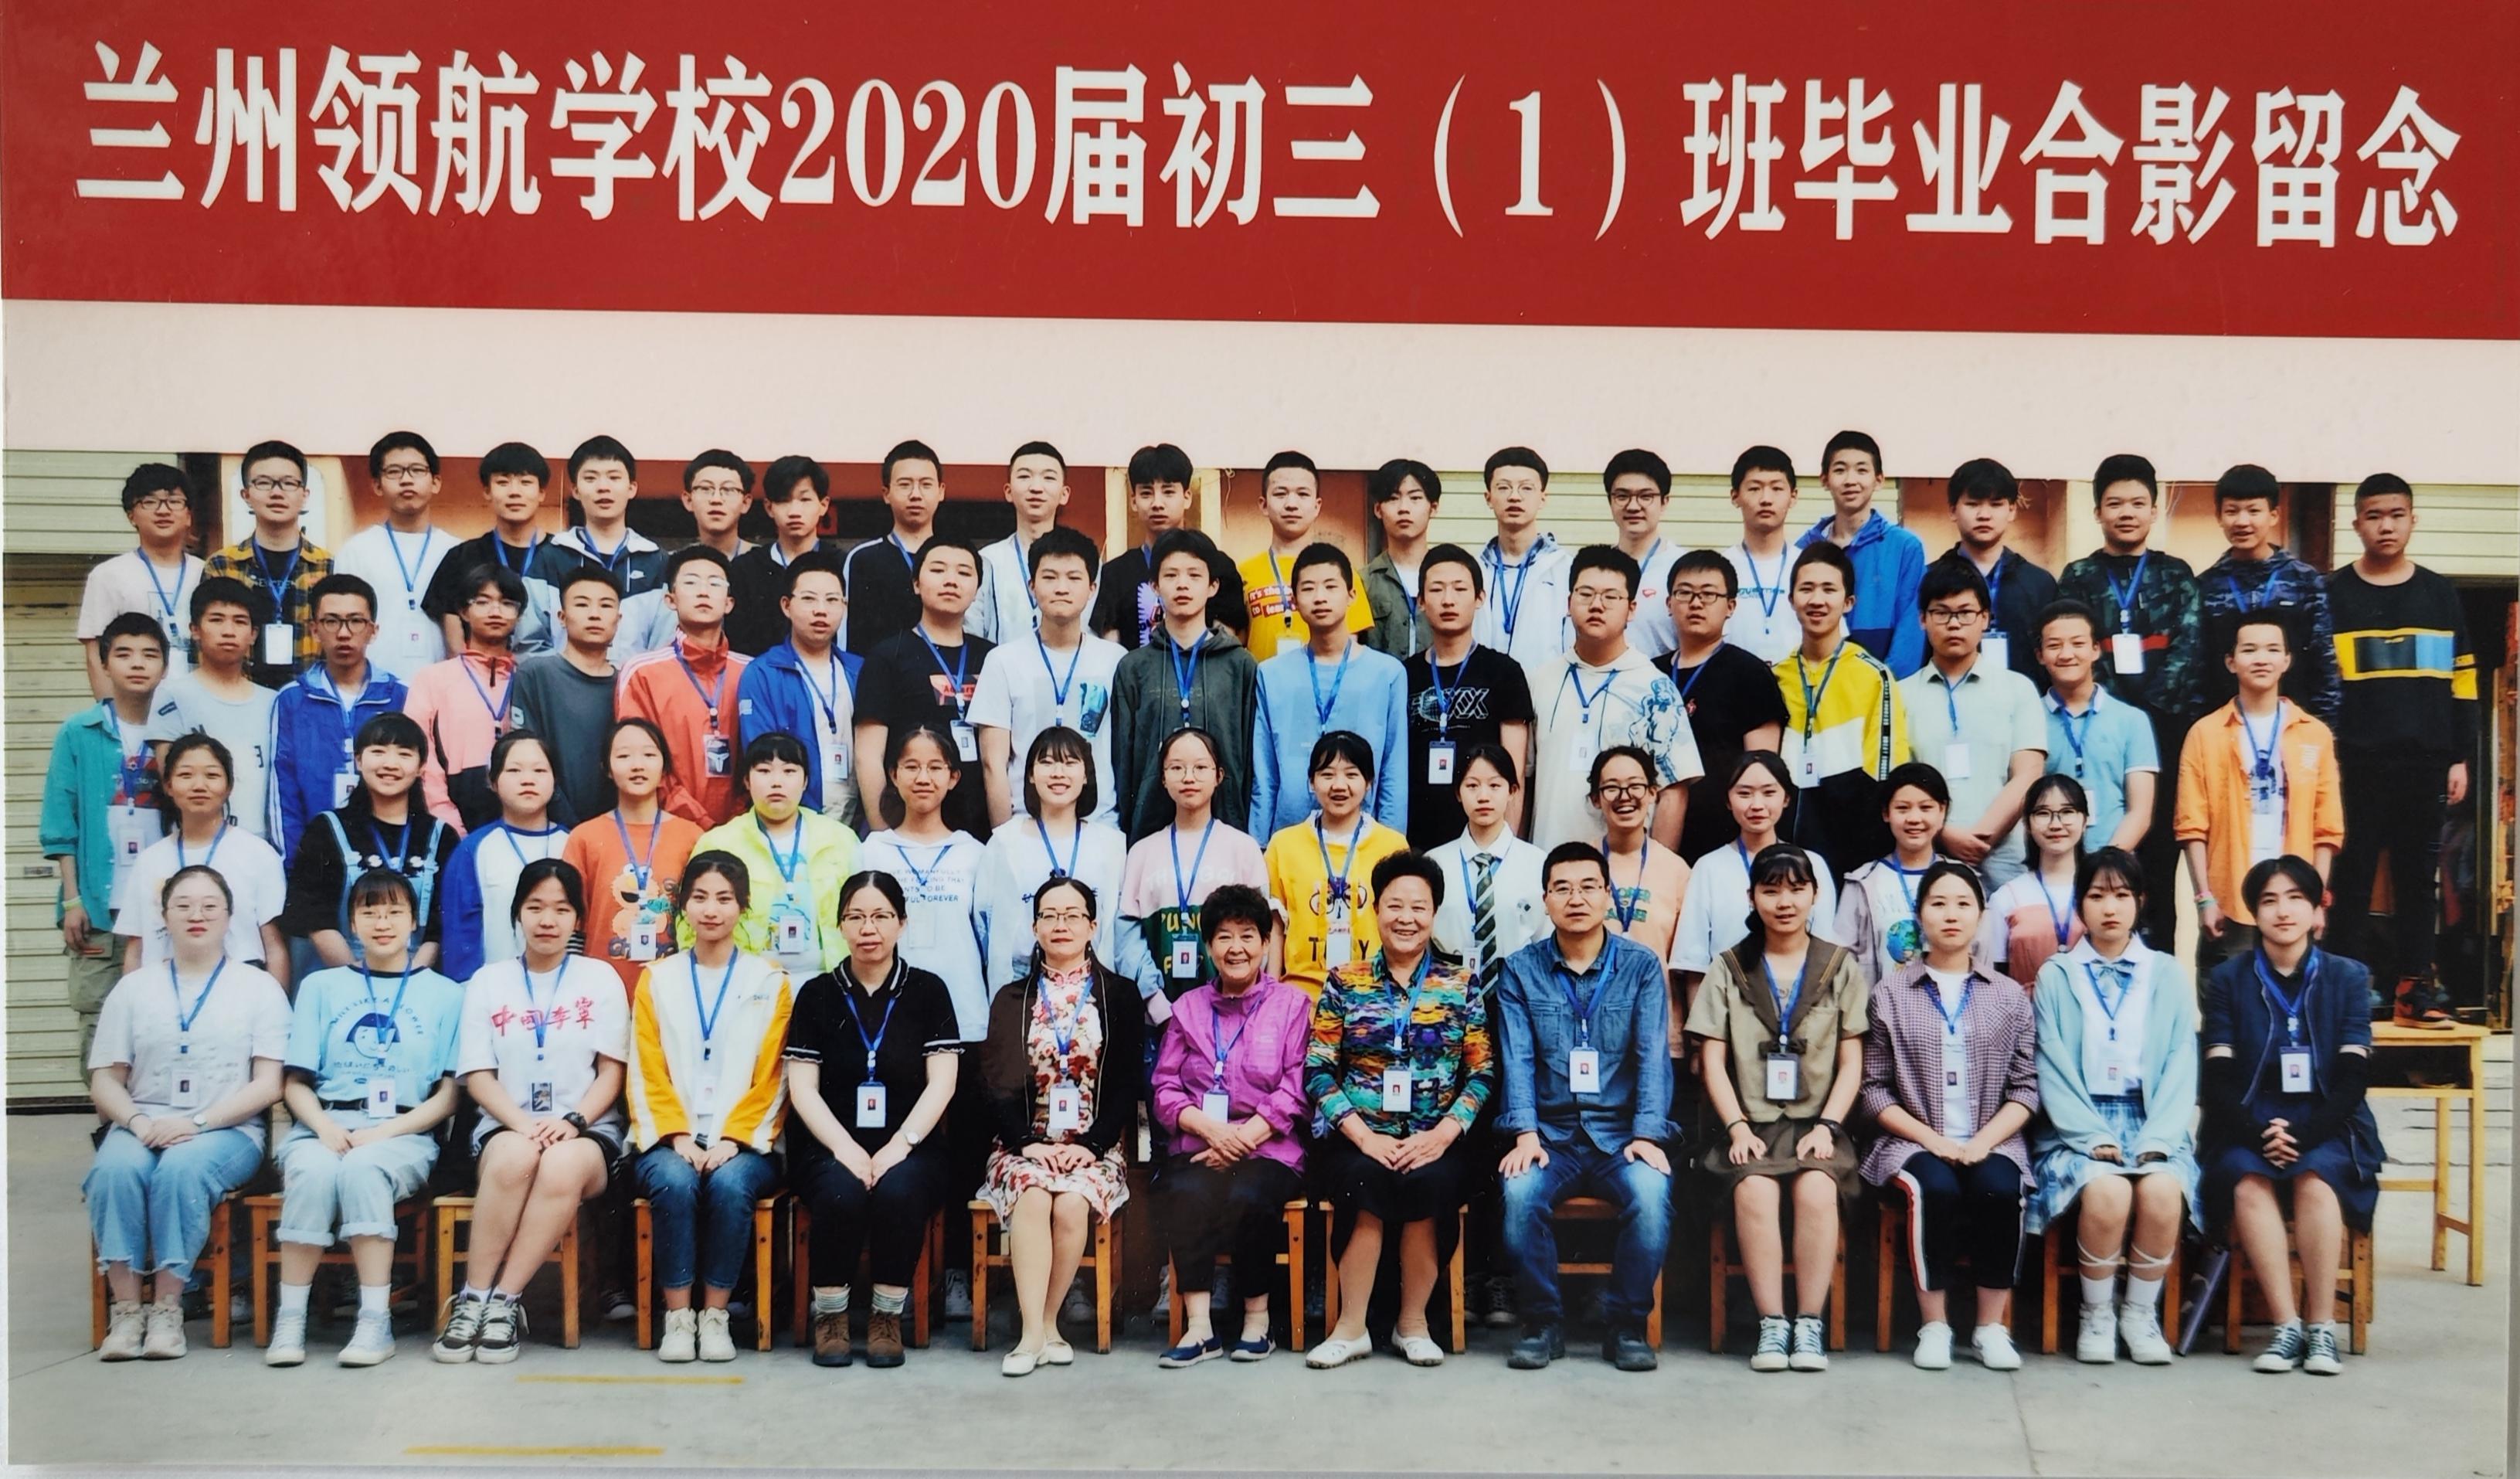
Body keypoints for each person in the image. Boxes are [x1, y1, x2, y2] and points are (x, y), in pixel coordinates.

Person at [84, 865, 290, 1361]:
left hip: (225, 1128)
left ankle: (168, 1308)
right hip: (143, 1121)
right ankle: (126, 1310)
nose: (197, 915)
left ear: (229, 917)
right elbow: (105, 1080)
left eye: (209, 906)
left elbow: (269, 1083)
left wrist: (196, 1123)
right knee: (114, 1170)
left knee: (181, 1170)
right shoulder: (134, 989)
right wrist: (136, 1122)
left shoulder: (258, 987)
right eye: (183, 905)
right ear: (163, 916)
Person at [267, 869, 464, 1367]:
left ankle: (375, 1322)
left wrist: (383, 1132)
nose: (382, 923)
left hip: (403, 1131)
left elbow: (447, 1096)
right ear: (351, 923)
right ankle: (291, 1319)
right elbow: (294, 1082)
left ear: (414, 922)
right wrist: (325, 1128)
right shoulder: (320, 986)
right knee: (311, 1171)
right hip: (327, 1124)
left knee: (363, 1168)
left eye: (395, 912)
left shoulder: (446, 994)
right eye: (369, 912)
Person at [436, 859, 630, 1363]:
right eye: (535, 907)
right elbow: (479, 1075)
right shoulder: (488, 981)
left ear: (578, 918)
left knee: (560, 1165)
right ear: (517, 913)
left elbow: (611, 1072)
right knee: (514, 1159)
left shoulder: (600, 978)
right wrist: (522, 1125)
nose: (548, 920)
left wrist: (573, 1122)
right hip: (509, 1124)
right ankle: (472, 1300)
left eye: (561, 909)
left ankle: (505, 1302)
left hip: (586, 1130)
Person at [1302, 856, 1492, 1368]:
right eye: (1395, 906)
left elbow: (1482, 1073)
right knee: (1364, 1178)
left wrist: (1443, 1135)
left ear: (1434, 914)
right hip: (1361, 1137)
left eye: (1418, 907)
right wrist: (1366, 1138)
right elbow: (1317, 1070)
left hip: (1435, 1138)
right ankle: (1352, 1328)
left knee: (1430, 1181)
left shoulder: (1460, 983)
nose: (1406, 918)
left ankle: (1413, 1324)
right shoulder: (1345, 981)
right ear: (1377, 910)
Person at [1686, 842, 1867, 1373]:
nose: (1784, 902)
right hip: (1748, 1127)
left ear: (1815, 895)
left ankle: (1808, 1323)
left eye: (1796, 889)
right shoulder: (1728, 967)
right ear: (1752, 897)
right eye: (1771, 890)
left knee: (1817, 1188)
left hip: (1818, 1127)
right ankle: (1772, 1324)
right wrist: (1737, 1128)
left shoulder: (1839, 966)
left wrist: (1828, 1126)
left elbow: (1852, 1062)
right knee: (1755, 1189)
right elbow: (1712, 1060)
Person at [1493, 842, 1673, 1372]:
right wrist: (1525, 1133)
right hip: (1549, 1136)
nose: (1576, 898)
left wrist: (1647, 1134)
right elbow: (1518, 1059)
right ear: (1545, 900)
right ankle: (1542, 1324)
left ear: (1608, 896)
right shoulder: (1520, 971)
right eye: (1563, 888)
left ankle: (1627, 1327)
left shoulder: (1640, 967)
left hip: (1621, 1137)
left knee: (1651, 1195)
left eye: (1589, 886)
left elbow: (1652, 1055)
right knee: (1519, 1194)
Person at [2199, 855, 2378, 1376]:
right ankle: (2286, 1328)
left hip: (2327, 1120)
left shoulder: (2348, 976)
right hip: (2248, 1119)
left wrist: (2306, 1133)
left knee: (2316, 1182)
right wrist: (2259, 1133)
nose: (2283, 911)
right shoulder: (2227, 979)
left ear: (2317, 907)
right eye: (2269, 900)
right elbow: (2218, 1078)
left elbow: (2352, 1078)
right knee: (2248, 1183)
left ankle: (2321, 1327)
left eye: (2296, 898)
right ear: (2253, 912)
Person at [1856, 862, 2039, 1372]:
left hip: (1990, 1137)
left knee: (2000, 1189)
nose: (1951, 915)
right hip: (1912, 1140)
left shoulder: (2008, 996)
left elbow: (2025, 1089)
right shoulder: (1890, 994)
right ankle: (1934, 1325)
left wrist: (1983, 1142)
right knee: (1932, 1188)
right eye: (1938, 904)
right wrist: (1931, 1141)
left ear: (1981, 915)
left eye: (1963, 904)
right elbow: (1874, 1090)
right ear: (1920, 916)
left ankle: (1990, 1328)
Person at [2026, 846, 2199, 1367]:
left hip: (2152, 1120)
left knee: (2163, 1192)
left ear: (2140, 902)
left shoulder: (2165, 973)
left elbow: (2180, 1062)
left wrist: (2159, 1138)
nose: (2110, 907)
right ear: (2080, 903)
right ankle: (2097, 1312)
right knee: (2107, 1193)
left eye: (2122, 895)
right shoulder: (2058, 975)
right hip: (2077, 1124)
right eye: (2097, 895)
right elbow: (2051, 1062)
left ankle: (2139, 1313)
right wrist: (2090, 1135)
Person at [783, 871, 963, 1368]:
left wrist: (898, 1147)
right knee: (839, 1191)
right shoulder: (817, 994)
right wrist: (845, 1149)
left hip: (912, 1145)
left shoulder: (928, 990)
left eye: (881, 916)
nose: (869, 928)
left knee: (899, 1191)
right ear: (840, 925)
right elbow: (803, 1088)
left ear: (902, 923)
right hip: (828, 1145)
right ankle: (831, 1319)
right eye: (856, 917)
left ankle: (887, 1318)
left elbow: (942, 1083)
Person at [627, 852, 793, 1363]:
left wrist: (734, 1139)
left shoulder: (769, 981)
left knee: (729, 1184)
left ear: (743, 906)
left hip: (745, 1142)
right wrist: (677, 1134)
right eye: (699, 897)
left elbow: (773, 1074)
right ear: (683, 907)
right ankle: (678, 1318)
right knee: (674, 1182)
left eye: (724, 898)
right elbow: (646, 1066)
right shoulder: (658, 978)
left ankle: (715, 1316)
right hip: (668, 1138)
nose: (711, 909)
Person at [976, 876, 1146, 1375]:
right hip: (1023, 1145)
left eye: (1073, 915)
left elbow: (1127, 1083)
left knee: (1072, 1203)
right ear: (1034, 928)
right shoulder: (1012, 999)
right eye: (1049, 916)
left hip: (1094, 1148)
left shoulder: (1120, 995)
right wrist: (1026, 1144)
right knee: (1032, 1195)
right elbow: (995, 1083)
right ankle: (1033, 1335)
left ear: (1093, 926)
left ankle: (1047, 1323)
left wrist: (1092, 1145)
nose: (1061, 925)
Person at [2326, 474, 2478, 1025]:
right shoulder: (2334, 594)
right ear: (2356, 524)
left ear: (2413, 520)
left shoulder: (2439, 593)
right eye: (2374, 516)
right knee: (2351, 880)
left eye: (2396, 515)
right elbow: (2321, 685)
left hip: (2425, 762)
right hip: (2353, 763)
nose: (2385, 526)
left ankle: (2415, 992)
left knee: (2419, 881)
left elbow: (2464, 678)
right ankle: (2345, 993)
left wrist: (2459, 755)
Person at [1149, 883, 1313, 1367]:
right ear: (1208, 946)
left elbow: (1296, 1086)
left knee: (1250, 1197)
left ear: (1265, 943)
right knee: (1187, 1192)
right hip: (1201, 1142)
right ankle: (1200, 1328)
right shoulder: (1187, 1009)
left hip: (1270, 1147)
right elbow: (1165, 1088)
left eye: (1247, 935)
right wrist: (1212, 1131)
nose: (1236, 948)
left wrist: (1243, 1137)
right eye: (1223, 936)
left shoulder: (1292, 1006)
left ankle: (1257, 1323)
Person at [2055, 454, 2202, 947]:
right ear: (2097, 511)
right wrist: (2115, 715)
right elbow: (2073, 649)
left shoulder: (2176, 574)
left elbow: (2188, 649)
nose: (2126, 513)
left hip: (2165, 733)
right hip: (2096, 731)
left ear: (2154, 510)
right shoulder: (2079, 576)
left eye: (2138, 503)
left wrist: (2143, 716)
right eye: (2115, 503)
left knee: (2157, 863)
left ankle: (2157, 965)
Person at [2177, 614, 2344, 967]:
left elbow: (2327, 828)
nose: (2261, 659)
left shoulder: (2314, 734)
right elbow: (2192, 825)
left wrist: (2317, 900)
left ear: (2287, 660)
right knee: (2229, 993)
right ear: (2231, 661)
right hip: (2229, 898)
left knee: (2292, 993)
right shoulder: (2205, 733)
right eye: (2249, 649)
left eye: (2272, 649)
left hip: (2294, 899)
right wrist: (2204, 898)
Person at [45, 613, 169, 1062]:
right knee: (99, 1023)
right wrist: (72, 901)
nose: (137, 664)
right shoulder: (78, 732)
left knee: (159, 1021)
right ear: (104, 663)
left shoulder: (174, 732)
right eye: (124, 654)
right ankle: (104, 1108)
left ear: (165, 667)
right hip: (98, 907)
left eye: (150, 655)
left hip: (159, 907)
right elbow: (61, 824)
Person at [1524, 546, 1701, 850]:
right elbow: (1524, 781)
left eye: (1611, 597)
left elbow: (1673, 791)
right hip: (1548, 862)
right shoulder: (1541, 680)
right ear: (1568, 603)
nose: (1597, 605)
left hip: (1623, 867)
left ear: (1631, 609)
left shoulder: (1654, 688)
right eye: (1586, 594)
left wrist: (1655, 868)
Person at [1899, 558, 2047, 887]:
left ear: (1985, 618)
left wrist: (1980, 838)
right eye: (1941, 613)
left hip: (2007, 863)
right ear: (1922, 619)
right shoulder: (1901, 695)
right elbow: (1900, 782)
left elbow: (2028, 774)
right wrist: (1944, 834)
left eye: (1965, 613)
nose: (1954, 624)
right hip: (1927, 856)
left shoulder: (2018, 689)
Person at [1110, 529, 1262, 839]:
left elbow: (1252, 756)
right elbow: (1122, 760)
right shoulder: (1134, 667)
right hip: (1149, 829)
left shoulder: (1240, 665)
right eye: (1171, 575)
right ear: (1155, 586)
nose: (1182, 584)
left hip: (1226, 825)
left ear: (1213, 586)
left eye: (1194, 575)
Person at [1252, 542, 1411, 837]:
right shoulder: (1271, 674)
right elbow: (1265, 772)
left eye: (1330, 586)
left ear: (1352, 596)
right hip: (1290, 838)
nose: (1320, 597)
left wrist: (1392, 843)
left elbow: (1393, 769)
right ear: (1294, 600)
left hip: (1364, 839)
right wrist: (1260, 842)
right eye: (1308, 588)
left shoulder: (1387, 674)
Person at [282, 713, 460, 972]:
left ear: (421, 766)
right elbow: (314, 916)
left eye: (404, 754)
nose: (390, 764)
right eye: (378, 751)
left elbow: (440, 926)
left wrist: (411, 979)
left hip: (418, 979)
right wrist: (358, 978)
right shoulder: (326, 830)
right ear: (358, 760)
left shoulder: (441, 837)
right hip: (341, 977)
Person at [971, 528, 1124, 828]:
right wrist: (1006, 837)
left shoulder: (1116, 661)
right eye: (1050, 577)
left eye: (1074, 578)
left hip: (1099, 825)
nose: (1061, 588)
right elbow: (993, 763)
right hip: (1024, 824)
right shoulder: (1003, 661)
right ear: (1032, 586)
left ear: (1092, 588)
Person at [1775, 542, 1910, 876]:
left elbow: (1885, 775)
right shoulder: (1776, 676)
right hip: (1784, 840)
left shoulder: (1874, 675)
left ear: (1849, 602)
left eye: (1829, 589)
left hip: (1849, 844)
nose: (1817, 600)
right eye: (1806, 589)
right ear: (1791, 599)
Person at [1116, 727, 1270, 1012]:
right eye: (1177, 768)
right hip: (1159, 1015)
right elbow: (1128, 938)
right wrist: (1156, 1004)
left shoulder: (1243, 848)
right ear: (1163, 778)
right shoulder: (1142, 852)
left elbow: (1259, 931)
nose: (1189, 777)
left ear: (1219, 775)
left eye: (1200, 767)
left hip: (1232, 1011)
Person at [852, 534, 996, 841]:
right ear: (916, 584)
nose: (951, 580)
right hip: (907, 828)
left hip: (981, 828)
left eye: (964, 572)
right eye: (938, 569)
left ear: (976, 590)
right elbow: (868, 756)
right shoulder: (887, 656)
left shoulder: (993, 658)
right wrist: (885, 837)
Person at [114, 733, 288, 981]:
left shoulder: (258, 854)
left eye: (212, 775)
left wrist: (275, 1002)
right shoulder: (149, 861)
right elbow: (136, 949)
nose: (199, 786)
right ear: (168, 786)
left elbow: (275, 947)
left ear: (229, 787)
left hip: (240, 988)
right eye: (186, 775)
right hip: (163, 987)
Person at [690, 733, 864, 981]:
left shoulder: (840, 839)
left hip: (829, 982)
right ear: (747, 780)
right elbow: (690, 921)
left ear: (805, 781)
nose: (776, 782)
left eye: (789, 771)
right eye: (764, 771)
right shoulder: (718, 843)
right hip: (746, 983)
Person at [1669, 752, 1847, 989]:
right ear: (1728, 801)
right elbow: (1695, 965)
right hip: (1727, 1003)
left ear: (1786, 798)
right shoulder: (1709, 868)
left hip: (1801, 1001)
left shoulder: (1812, 864)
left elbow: (1825, 956)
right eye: (1744, 794)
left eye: (1769, 792)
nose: (1757, 805)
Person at [861, 726, 992, 1040]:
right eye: (911, 767)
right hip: (887, 1016)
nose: (923, 778)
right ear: (893, 775)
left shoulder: (974, 853)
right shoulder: (872, 851)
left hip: (962, 1013)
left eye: (935, 768)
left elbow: (989, 940)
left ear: (953, 777)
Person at [267, 573, 409, 863]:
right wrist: (296, 866)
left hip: (386, 854)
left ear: (373, 630)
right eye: (331, 621)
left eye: (356, 621)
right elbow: (283, 792)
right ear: (314, 629)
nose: (344, 633)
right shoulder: (292, 699)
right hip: (315, 857)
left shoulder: (399, 696)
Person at [1401, 543, 1535, 850]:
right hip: (1416, 837)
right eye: (1436, 590)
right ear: (1421, 602)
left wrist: (1506, 848)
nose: (1448, 600)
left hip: (1483, 834)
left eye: (1460, 589)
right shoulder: (1404, 675)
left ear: (1479, 598)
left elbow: (1514, 772)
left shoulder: (1504, 671)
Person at [1660, 548, 1790, 863]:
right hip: (1656, 834)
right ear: (1668, 603)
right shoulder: (1651, 673)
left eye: (1709, 594)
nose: (1696, 603)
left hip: (1726, 842)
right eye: (1684, 593)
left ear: (1731, 606)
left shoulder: (1750, 674)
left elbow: (1761, 770)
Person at [1264, 732, 1411, 999]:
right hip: (1301, 996)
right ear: (1312, 781)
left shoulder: (1392, 846)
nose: (1339, 785)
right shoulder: (1283, 845)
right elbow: (1276, 927)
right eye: (1327, 775)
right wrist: (1271, 993)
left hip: (1374, 996)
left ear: (1369, 782)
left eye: (1352, 774)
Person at [980, 727, 1129, 989]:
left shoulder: (1111, 844)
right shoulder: (1004, 842)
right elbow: (983, 922)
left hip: (1092, 982)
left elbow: (1119, 927)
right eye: (1047, 763)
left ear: (1086, 775)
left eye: (1070, 763)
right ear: (1030, 774)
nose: (1058, 773)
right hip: (1020, 983)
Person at [563, 719, 705, 994]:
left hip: (675, 991)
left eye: (649, 755)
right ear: (607, 768)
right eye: (624, 756)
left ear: (665, 766)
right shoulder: (584, 838)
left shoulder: (692, 837)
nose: (637, 765)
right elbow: (572, 925)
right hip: (601, 992)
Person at [616, 546, 752, 829]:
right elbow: (639, 758)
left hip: (742, 832)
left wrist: (735, 827)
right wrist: (701, 824)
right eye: (691, 582)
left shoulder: (751, 672)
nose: (703, 592)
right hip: (668, 828)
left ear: (729, 603)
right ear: (670, 599)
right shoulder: (643, 672)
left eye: (714, 583)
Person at [2196, 464, 2342, 723]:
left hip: (2294, 726)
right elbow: (2198, 668)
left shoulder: (2304, 580)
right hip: (2225, 726)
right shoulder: (2206, 585)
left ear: (2274, 515)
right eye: (2232, 511)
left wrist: (2323, 731)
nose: (2243, 522)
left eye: (2254, 511)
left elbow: (2324, 664)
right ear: (2219, 516)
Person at [735, 549, 864, 829]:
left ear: (844, 606)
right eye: (809, 599)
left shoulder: (861, 671)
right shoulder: (763, 674)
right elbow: (763, 758)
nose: (821, 610)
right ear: (786, 606)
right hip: (793, 824)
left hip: (858, 823)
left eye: (832, 600)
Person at [144, 576, 278, 845]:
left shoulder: (274, 701)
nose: (228, 631)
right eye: (216, 620)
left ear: (253, 634)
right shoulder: (173, 696)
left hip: (262, 845)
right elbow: (172, 780)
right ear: (195, 630)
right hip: (198, 843)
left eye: (240, 621)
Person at [437, 733, 572, 984]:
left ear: (555, 779)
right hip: (495, 993)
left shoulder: (574, 844)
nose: (528, 780)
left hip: (564, 991)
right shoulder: (474, 849)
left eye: (540, 770)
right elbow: (460, 937)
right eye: (514, 770)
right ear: (493, 781)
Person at [202, 439, 332, 688]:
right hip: (239, 696)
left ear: (304, 495)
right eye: (263, 483)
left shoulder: (327, 567)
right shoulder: (222, 566)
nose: (276, 493)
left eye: (288, 483)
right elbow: (206, 643)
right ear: (246, 495)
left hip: (308, 698)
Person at [404, 562, 523, 830]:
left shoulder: (529, 678)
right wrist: (447, 823)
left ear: (519, 615)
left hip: (522, 815)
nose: (495, 611)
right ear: (463, 611)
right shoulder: (432, 678)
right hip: (451, 814)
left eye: (507, 603)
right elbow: (420, 753)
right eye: (482, 602)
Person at [1092, 444, 1246, 649]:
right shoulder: (1115, 573)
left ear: (1187, 498)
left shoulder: (1217, 566)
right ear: (1133, 501)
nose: (1157, 503)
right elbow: (1110, 645)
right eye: (1146, 494)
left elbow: (1227, 643)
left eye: (1168, 492)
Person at [1795, 431, 1925, 676]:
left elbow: (1910, 633)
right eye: (1840, 470)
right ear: (1825, 480)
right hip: (1817, 684)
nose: (1850, 480)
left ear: (1879, 480)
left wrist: (1882, 685)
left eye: (1862, 470)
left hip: (1883, 686)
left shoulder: (1905, 548)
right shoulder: (1804, 549)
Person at [2036, 599, 2158, 854]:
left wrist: (2106, 865)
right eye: (2054, 645)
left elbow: (2140, 812)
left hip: (2114, 865)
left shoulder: (2132, 720)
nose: (2066, 654)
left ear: (2095, 650)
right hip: (2047, 864)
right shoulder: (2028, 719)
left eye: (2078, 644)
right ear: (2040, 655)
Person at [331, 432, 455, 681]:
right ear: (377, 485)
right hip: (373, 688)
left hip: (441, 689)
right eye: (394, 472)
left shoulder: (456, 550)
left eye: (417, 470)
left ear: (436, 482)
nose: (406, 480)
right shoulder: (356, 551)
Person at [509, 566, 626, 828]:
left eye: (606, 605)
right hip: (550, 824)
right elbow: (527, 751)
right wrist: (567, 825)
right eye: (582, 604)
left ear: (618, 619)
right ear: (562, 617)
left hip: (615, 828)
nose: (594, 614)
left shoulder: (627, 682)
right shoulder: (536, 674)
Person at [424, 441, 565, 659]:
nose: (514, 492)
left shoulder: (564, 555)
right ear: (487, 492)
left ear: (542, 493)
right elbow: (453, 635)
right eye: (503, 482)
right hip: (479, 674)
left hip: (546, 675)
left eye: (526, 482)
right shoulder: (461, 557)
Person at [1425, 744, 1548, 985]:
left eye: (1495, 786)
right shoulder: (1435, 863)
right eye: (1472, 786)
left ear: (1512, 791)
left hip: (1520, 986)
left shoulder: (1537, 862)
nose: (1483, 797)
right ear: (1458, 793)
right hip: (1446, 986)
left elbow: (1545, 936)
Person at [1238, 450, 1376, 661]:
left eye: (1303, 494)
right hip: (1264, 681)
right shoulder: (1244, 573)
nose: (1291, 504)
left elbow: (1351, 645)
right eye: (1280, 494)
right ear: (1264, 505)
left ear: (1317, 506)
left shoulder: (1341, 571)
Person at [79, 463, 203, 693]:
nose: (163, 511)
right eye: (149, 502)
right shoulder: (108, 575)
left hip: (199, 703)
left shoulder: (207, 572)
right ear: (131, 516)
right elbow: (96, 655)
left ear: (188, 516)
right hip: (136, 704)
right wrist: (112, 711)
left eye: (174, 501)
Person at [549, 436, 670, 663]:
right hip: (564, 683)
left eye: (614, 477)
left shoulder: (657, 561)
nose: (603, 487)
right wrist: (561, 677)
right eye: (590, 478)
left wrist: (640, 679)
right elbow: (532, 640)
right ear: (575, 490)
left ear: (632, 488)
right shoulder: (551, 555)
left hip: (637, 683)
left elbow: (665, 641)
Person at [1836, 762, 1954, 984]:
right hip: (1878, 1004)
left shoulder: (1962, 881)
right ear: (1886, 813)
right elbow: (1841, 959)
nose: (1914, 818)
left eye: (1926, 808)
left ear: (1942, 811)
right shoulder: (1862, 882)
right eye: (1903, 808)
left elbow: (1980, 957)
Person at [1942, 458, 2056, 684]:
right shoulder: (1932, 580)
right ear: (1953, 510)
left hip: (2023, 702)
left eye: (1996, 505)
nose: (1984, 515)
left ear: (2012, 511)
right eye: (1973, 504)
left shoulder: (2039, 583)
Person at [1982, 774, 2090, 984]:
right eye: (2043, 813)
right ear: (2027, 824)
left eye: (2067, 812)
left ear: (2084, 820)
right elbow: (1995, 975)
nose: (2055, 824)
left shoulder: (2099, 889)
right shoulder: (2007, 897)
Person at [842, 440, 946, 659]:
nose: (915, 494)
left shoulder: (957, 559)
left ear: (941, 491)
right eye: (905, 485)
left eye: (926, 485)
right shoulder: (863, 559)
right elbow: (849, 642)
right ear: (886, 493)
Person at [727, 454, 837, 657]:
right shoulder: (745, 568)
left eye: (805, 500)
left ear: (823, 505)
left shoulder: (842, 564)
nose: (795, 511)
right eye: (784, 501)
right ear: (769, 508)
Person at [1473, 446, 1572, 668]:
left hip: (1544, 687)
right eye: (1503, 488)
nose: (1515, 497)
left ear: (1543, 498)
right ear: (1488, 498)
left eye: (1526, 488)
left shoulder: (1565, 568)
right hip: (1482, 687)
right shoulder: (1473, 569)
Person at [1592, 746, 1692, 966]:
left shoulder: (1676, 870)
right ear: (1596, 799)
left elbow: (1685, 963)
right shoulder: (1579, 864)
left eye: (1635, 786)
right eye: (1611, 788)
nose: (1624, 796)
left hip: (1656, 988)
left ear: (1653, 793)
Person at [969, 440, 1074, 644]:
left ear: (1064, 494)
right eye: (1025, 476)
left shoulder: (1083, 562)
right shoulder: (987, 560)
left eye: (1049, 478)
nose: (1036, 488)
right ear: (1008, 491)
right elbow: (973, 632)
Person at [1721, 447, 1804, 664]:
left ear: (1793, 496)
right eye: (1754, 489)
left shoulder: (1809, 567)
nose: (1766, 499)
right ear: (1735, 496)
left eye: (1777, 488)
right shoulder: (1721, 568)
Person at [1360, 457, 1439, 659]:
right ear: (1378, 510)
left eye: (1415, 498)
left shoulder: (1449, 577)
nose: (1404, 508)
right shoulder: (1362, 581)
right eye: (1393, 498)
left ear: (1433, 508)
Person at [1604, 448, 1679, 656]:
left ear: (1664, 502)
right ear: (1610, 501)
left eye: (1646, 497)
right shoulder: (1596, 569)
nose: (1633, 506)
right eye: (1622, 496)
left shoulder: (1682, 568)